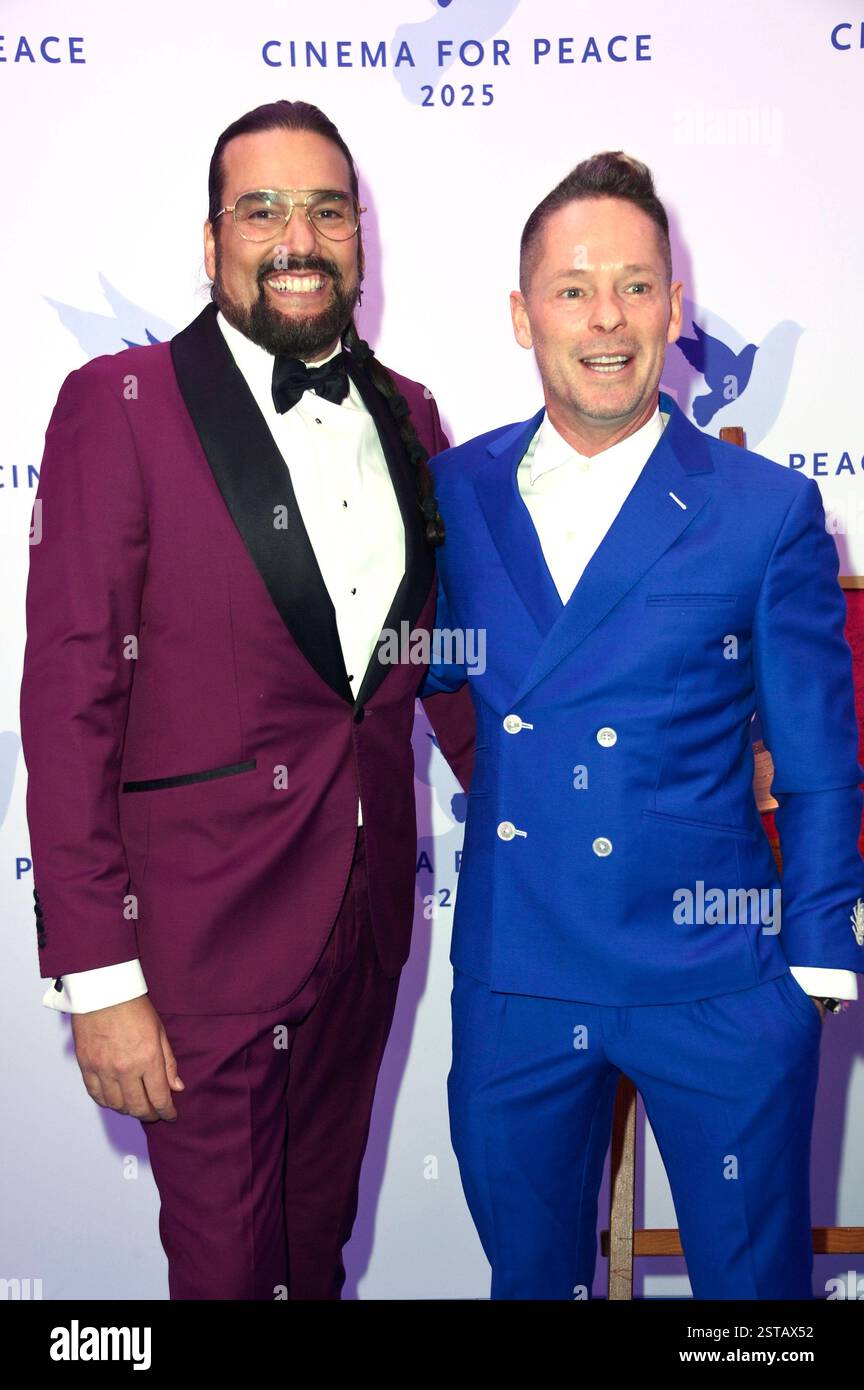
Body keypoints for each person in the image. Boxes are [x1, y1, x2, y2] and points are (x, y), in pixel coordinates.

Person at [20, 98, 474, 1300]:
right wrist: (99, 977)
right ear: (211, 239)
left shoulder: (410, 414)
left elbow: (442, 676)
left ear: (360, 238)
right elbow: (68, 698)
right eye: (261, 208)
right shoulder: (116, 406)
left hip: (367, 928)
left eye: (326, 208)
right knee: (221, 1276)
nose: (297, 236)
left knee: (312, 1257)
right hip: (195, 947)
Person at [422, 151, 864, 1300]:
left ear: (675, 308)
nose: (606, 317)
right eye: (573, 288)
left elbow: (819, 757)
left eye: (635, 284)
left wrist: (814, 967)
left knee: (753, 1305)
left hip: (717, 977)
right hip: (519, 976)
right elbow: (415, 683)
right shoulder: (452, 495)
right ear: (523, 316)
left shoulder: (765, 510)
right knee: (533, 1283)